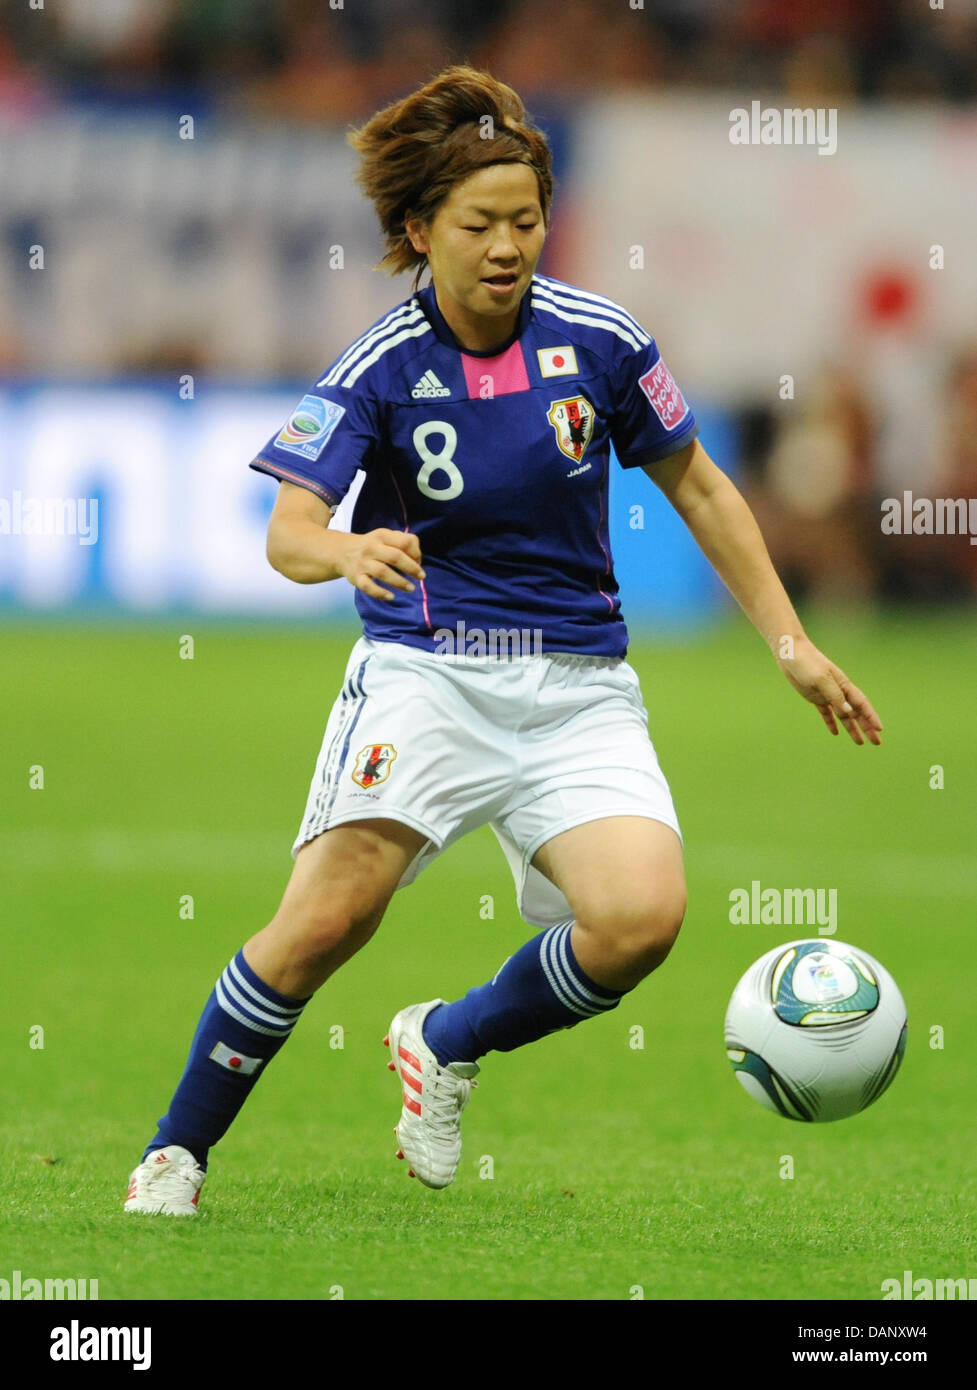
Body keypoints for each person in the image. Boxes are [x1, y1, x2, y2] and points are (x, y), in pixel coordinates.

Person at [124, 65, 882, 1216]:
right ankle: (175, 1153)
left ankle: (447, 1038)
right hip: (425, 672)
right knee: (325, 921)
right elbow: (287, 529)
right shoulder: (379, 364)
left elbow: (706, 492)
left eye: (525, 220)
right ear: (419, 229)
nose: (506, 245)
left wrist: (789, 645)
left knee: (639, 921)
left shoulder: (602, 342)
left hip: (577, 684)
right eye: (479, 224)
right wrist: (345, 551)